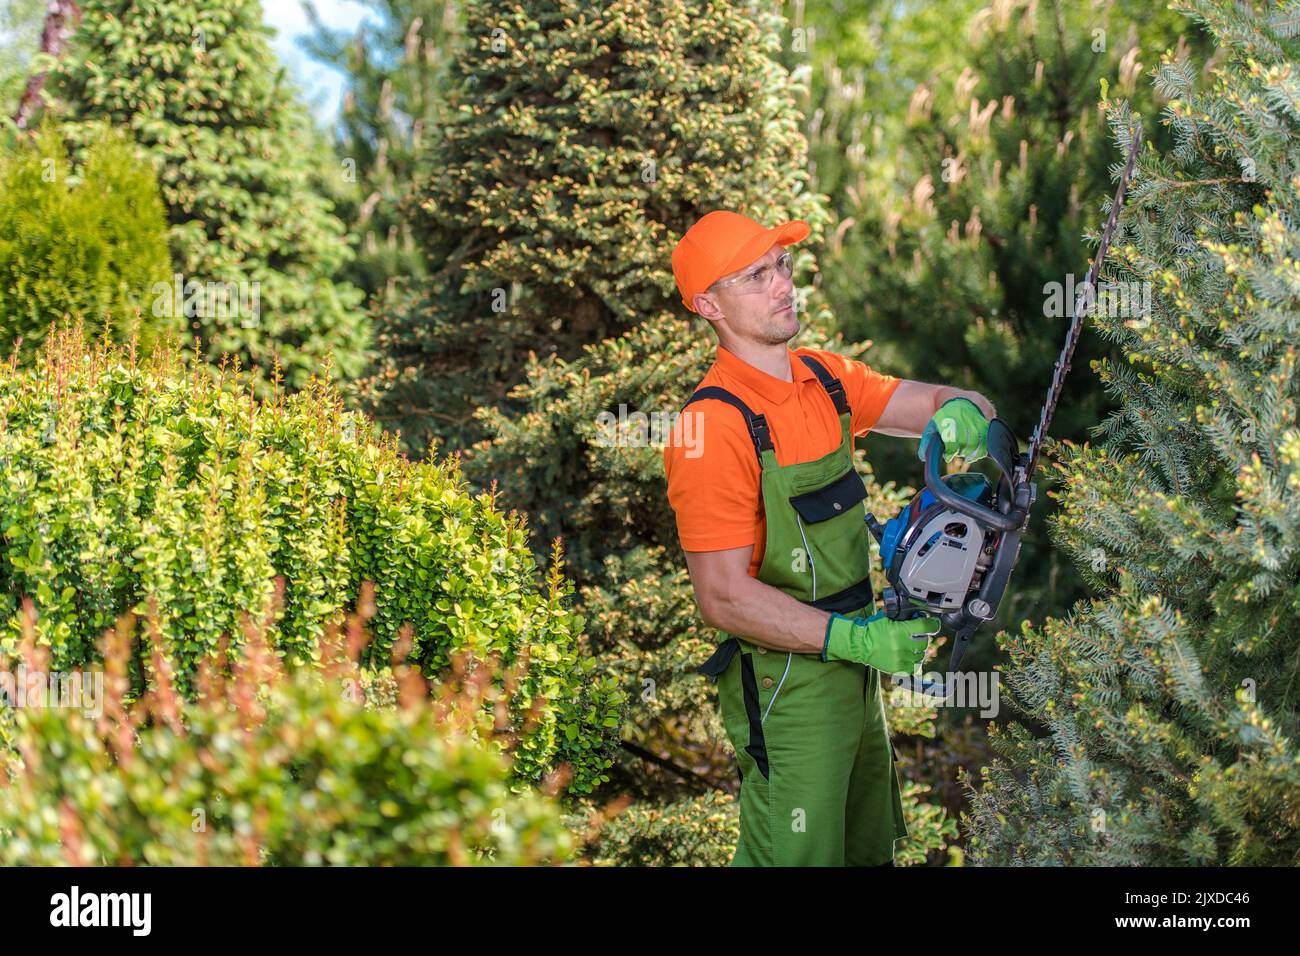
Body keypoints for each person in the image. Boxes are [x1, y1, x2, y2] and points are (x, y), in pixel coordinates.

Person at [664, 210, 997, 866]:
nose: (781, 284)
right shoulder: (711, 428)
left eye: (781, 266)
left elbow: (951, 402)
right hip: (787, 687)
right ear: (709, 304)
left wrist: (963, 414)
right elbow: (723, 597)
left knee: (866, 847)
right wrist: (854, 640)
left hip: (856, 674)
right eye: (756, 275)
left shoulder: (825, 379)